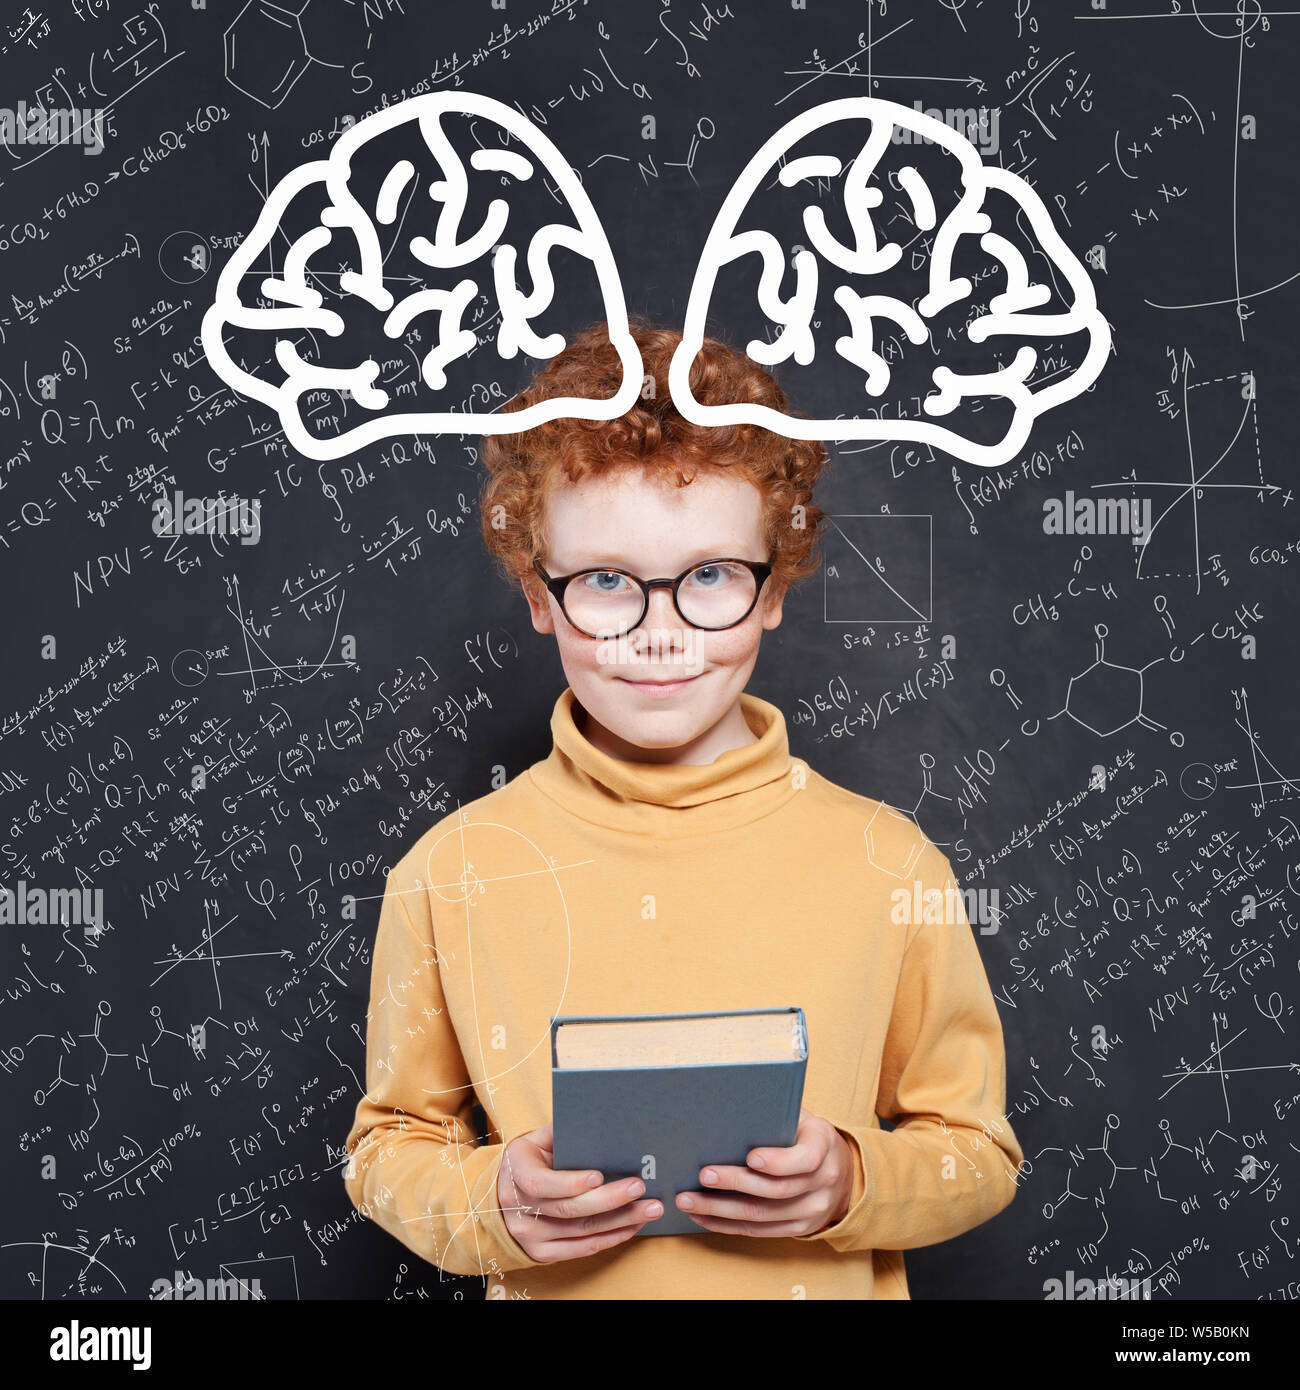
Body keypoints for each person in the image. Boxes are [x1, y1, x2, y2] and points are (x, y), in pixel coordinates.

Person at [342, 319, 1023, 1299]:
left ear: (775, 583)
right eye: (608, 582)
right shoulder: (450, 872)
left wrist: (852, 1181)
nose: (661, 633)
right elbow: (387, 1147)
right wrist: (492, 1200)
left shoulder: (889, 863)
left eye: (709, 575)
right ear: (540, 593)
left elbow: (978, 1150)